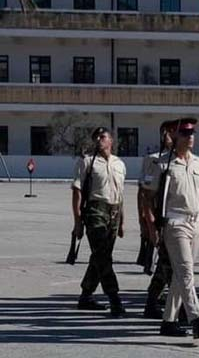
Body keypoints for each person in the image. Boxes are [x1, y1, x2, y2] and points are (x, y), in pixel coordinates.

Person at [143, 118, 199, 339]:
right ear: (175, 136)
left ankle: (168, 321)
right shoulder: (163, 164)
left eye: (192, 133)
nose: (189, 137)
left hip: (195, 223)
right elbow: (148, 197)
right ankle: (196, 319)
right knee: (186, 272)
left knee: (180, 275)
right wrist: (151, 227)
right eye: (184, 133)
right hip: (175, 223)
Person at [71, 127, 127, 316]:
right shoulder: (87, 162)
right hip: (96, 210)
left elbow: (121, 194)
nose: (98, 140)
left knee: (100, 256)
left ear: (111, 140)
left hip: (114, 212)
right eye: (96, 137)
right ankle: (114, 298)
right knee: (103, 256)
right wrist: (77, 222)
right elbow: (77, 191)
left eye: (102, 137)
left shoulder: (119, 163)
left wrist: (122, 220)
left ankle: (86, 296)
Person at [140, 121, 177, 318]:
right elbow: (145, 193)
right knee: (170, 265)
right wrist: (147, 222)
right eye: (167, 133)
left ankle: (152, 302)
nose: (170, 137)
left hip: (179, 220)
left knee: (165, 264)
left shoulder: (185, 159)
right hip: (161, 219)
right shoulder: (154, 160)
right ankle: (180, 309)